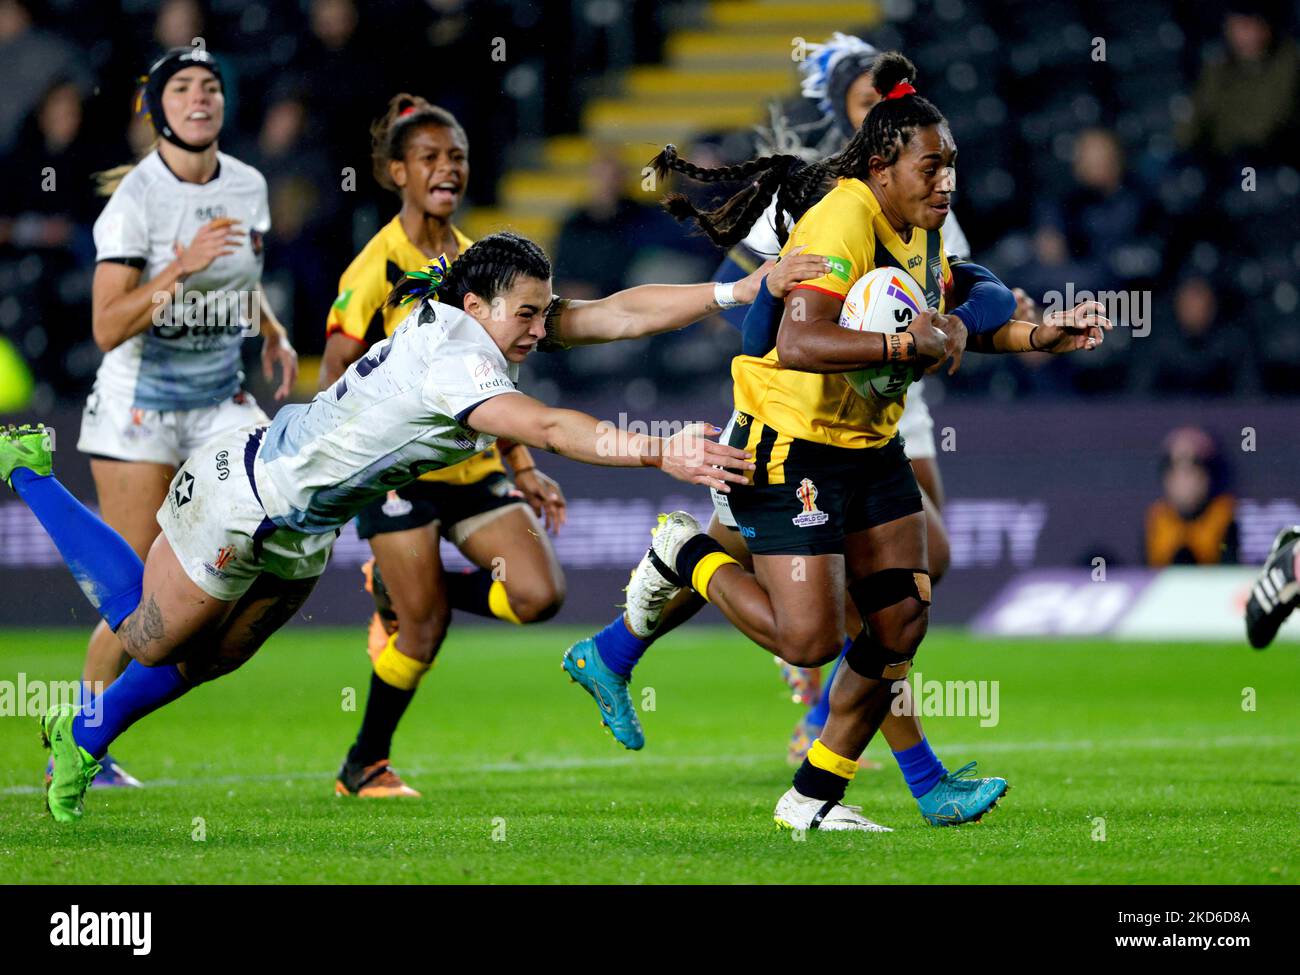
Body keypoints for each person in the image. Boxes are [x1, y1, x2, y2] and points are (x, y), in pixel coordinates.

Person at [7, 230, 763, 824]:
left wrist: (736, 290)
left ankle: (81, 735)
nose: (539, 328)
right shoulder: (457, 361)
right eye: (527, 313)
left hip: (307, 526)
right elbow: (550, 424)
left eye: (543, 311)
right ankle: (31, 476)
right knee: (148, 633)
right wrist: (661, 448)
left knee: (212, 659)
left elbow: (616, 314)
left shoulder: (480, 324)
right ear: (479, 308)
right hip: (249, 495)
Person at [577, 53, 1109, 831]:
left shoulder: (914, 222)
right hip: (789, 442)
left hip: (868, 441)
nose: (948, 182)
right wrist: (906, 350)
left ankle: (815, 798)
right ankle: (681, 554)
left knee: (899, 620)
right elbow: (799, 342)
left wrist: (1032, 334)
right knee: (811, 638)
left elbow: (964, 294)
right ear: (885, 163)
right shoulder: (842, 218)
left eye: (953, 165)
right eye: (934, 166)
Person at [71, 47, 298, 788]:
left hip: (220, 399)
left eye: (211, 87)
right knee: (138, 595)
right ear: (157, 109)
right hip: (140, 408)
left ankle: (194, 660)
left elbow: (244, 274)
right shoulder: (135, 201)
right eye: (182, 87)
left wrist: (270, 327)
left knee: (277, 527)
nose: (200, 97)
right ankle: (80, 742)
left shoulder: (248, 183)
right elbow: (107, 326)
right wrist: (180, 266)